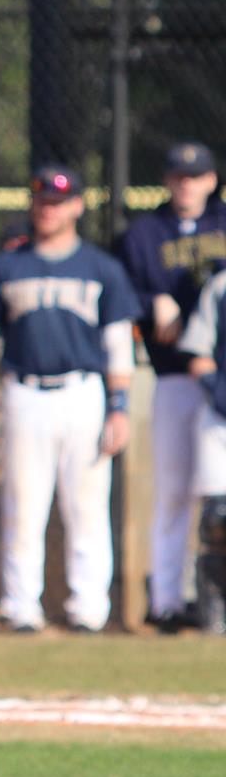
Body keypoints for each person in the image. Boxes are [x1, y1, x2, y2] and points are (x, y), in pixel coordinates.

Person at [0, 164, 140, 634]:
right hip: (25, 392)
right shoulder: (7, 266)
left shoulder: (100, 268)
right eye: (41, 201)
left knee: (87, 506)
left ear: (77, 206)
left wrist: (120, 408)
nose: (48, 209)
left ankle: (89, 609)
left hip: (84, 392)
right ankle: (21, 607)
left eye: (58, 202)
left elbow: (119, 344)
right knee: (24, 503)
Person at [116, 140, 226, 633]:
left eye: (195, 176)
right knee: (174, 492)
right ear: (167, 181)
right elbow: (119, 288)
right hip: (176, 379)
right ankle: (166, 601)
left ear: (211, 179)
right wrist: (153, 300)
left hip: (217, 378)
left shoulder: (223, 223)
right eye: (178, 176)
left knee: (217, 503)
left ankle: (210, 602)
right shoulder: (143, 233)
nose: (186, 184)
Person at [171, 251, 226, 635]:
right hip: (220, 419)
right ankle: (216, 617)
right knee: (218, 519)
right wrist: (218, 392)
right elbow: (198, 355)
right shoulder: (221, 287)